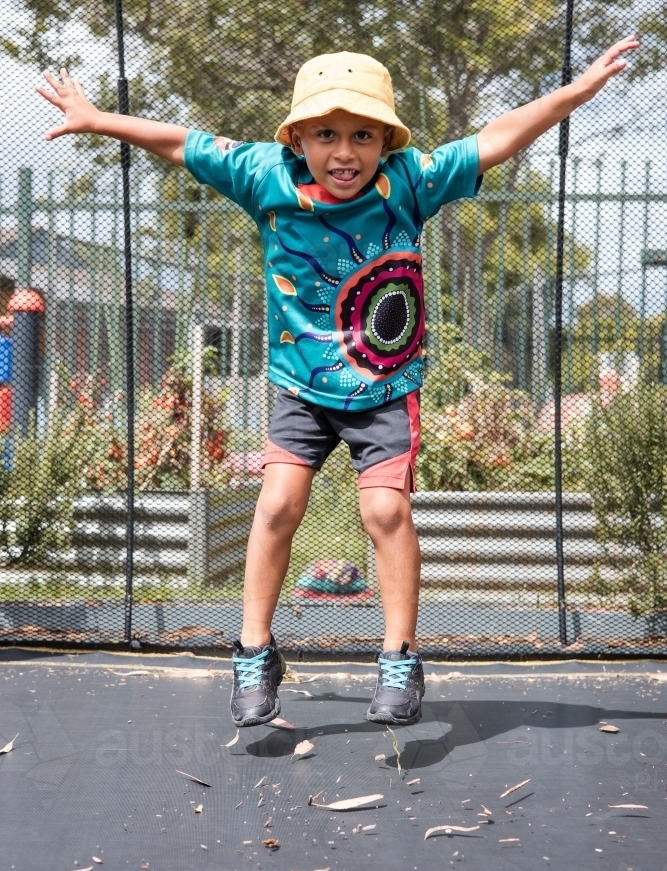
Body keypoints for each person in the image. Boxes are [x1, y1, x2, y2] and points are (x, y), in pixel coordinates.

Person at [37, 36, 639, 727]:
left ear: (385, 139)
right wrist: (99, 117)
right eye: (326, 134)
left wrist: (573, 94)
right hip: (300, 386)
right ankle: (255, 650)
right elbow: (181, 142)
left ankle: (399, 656)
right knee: (275, 506)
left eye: (362, 135)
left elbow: (494, 139)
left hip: (384, 389)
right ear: (297, 137)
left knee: (384, 513)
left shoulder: (410, 180)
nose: (344, 151)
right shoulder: (263, 174)